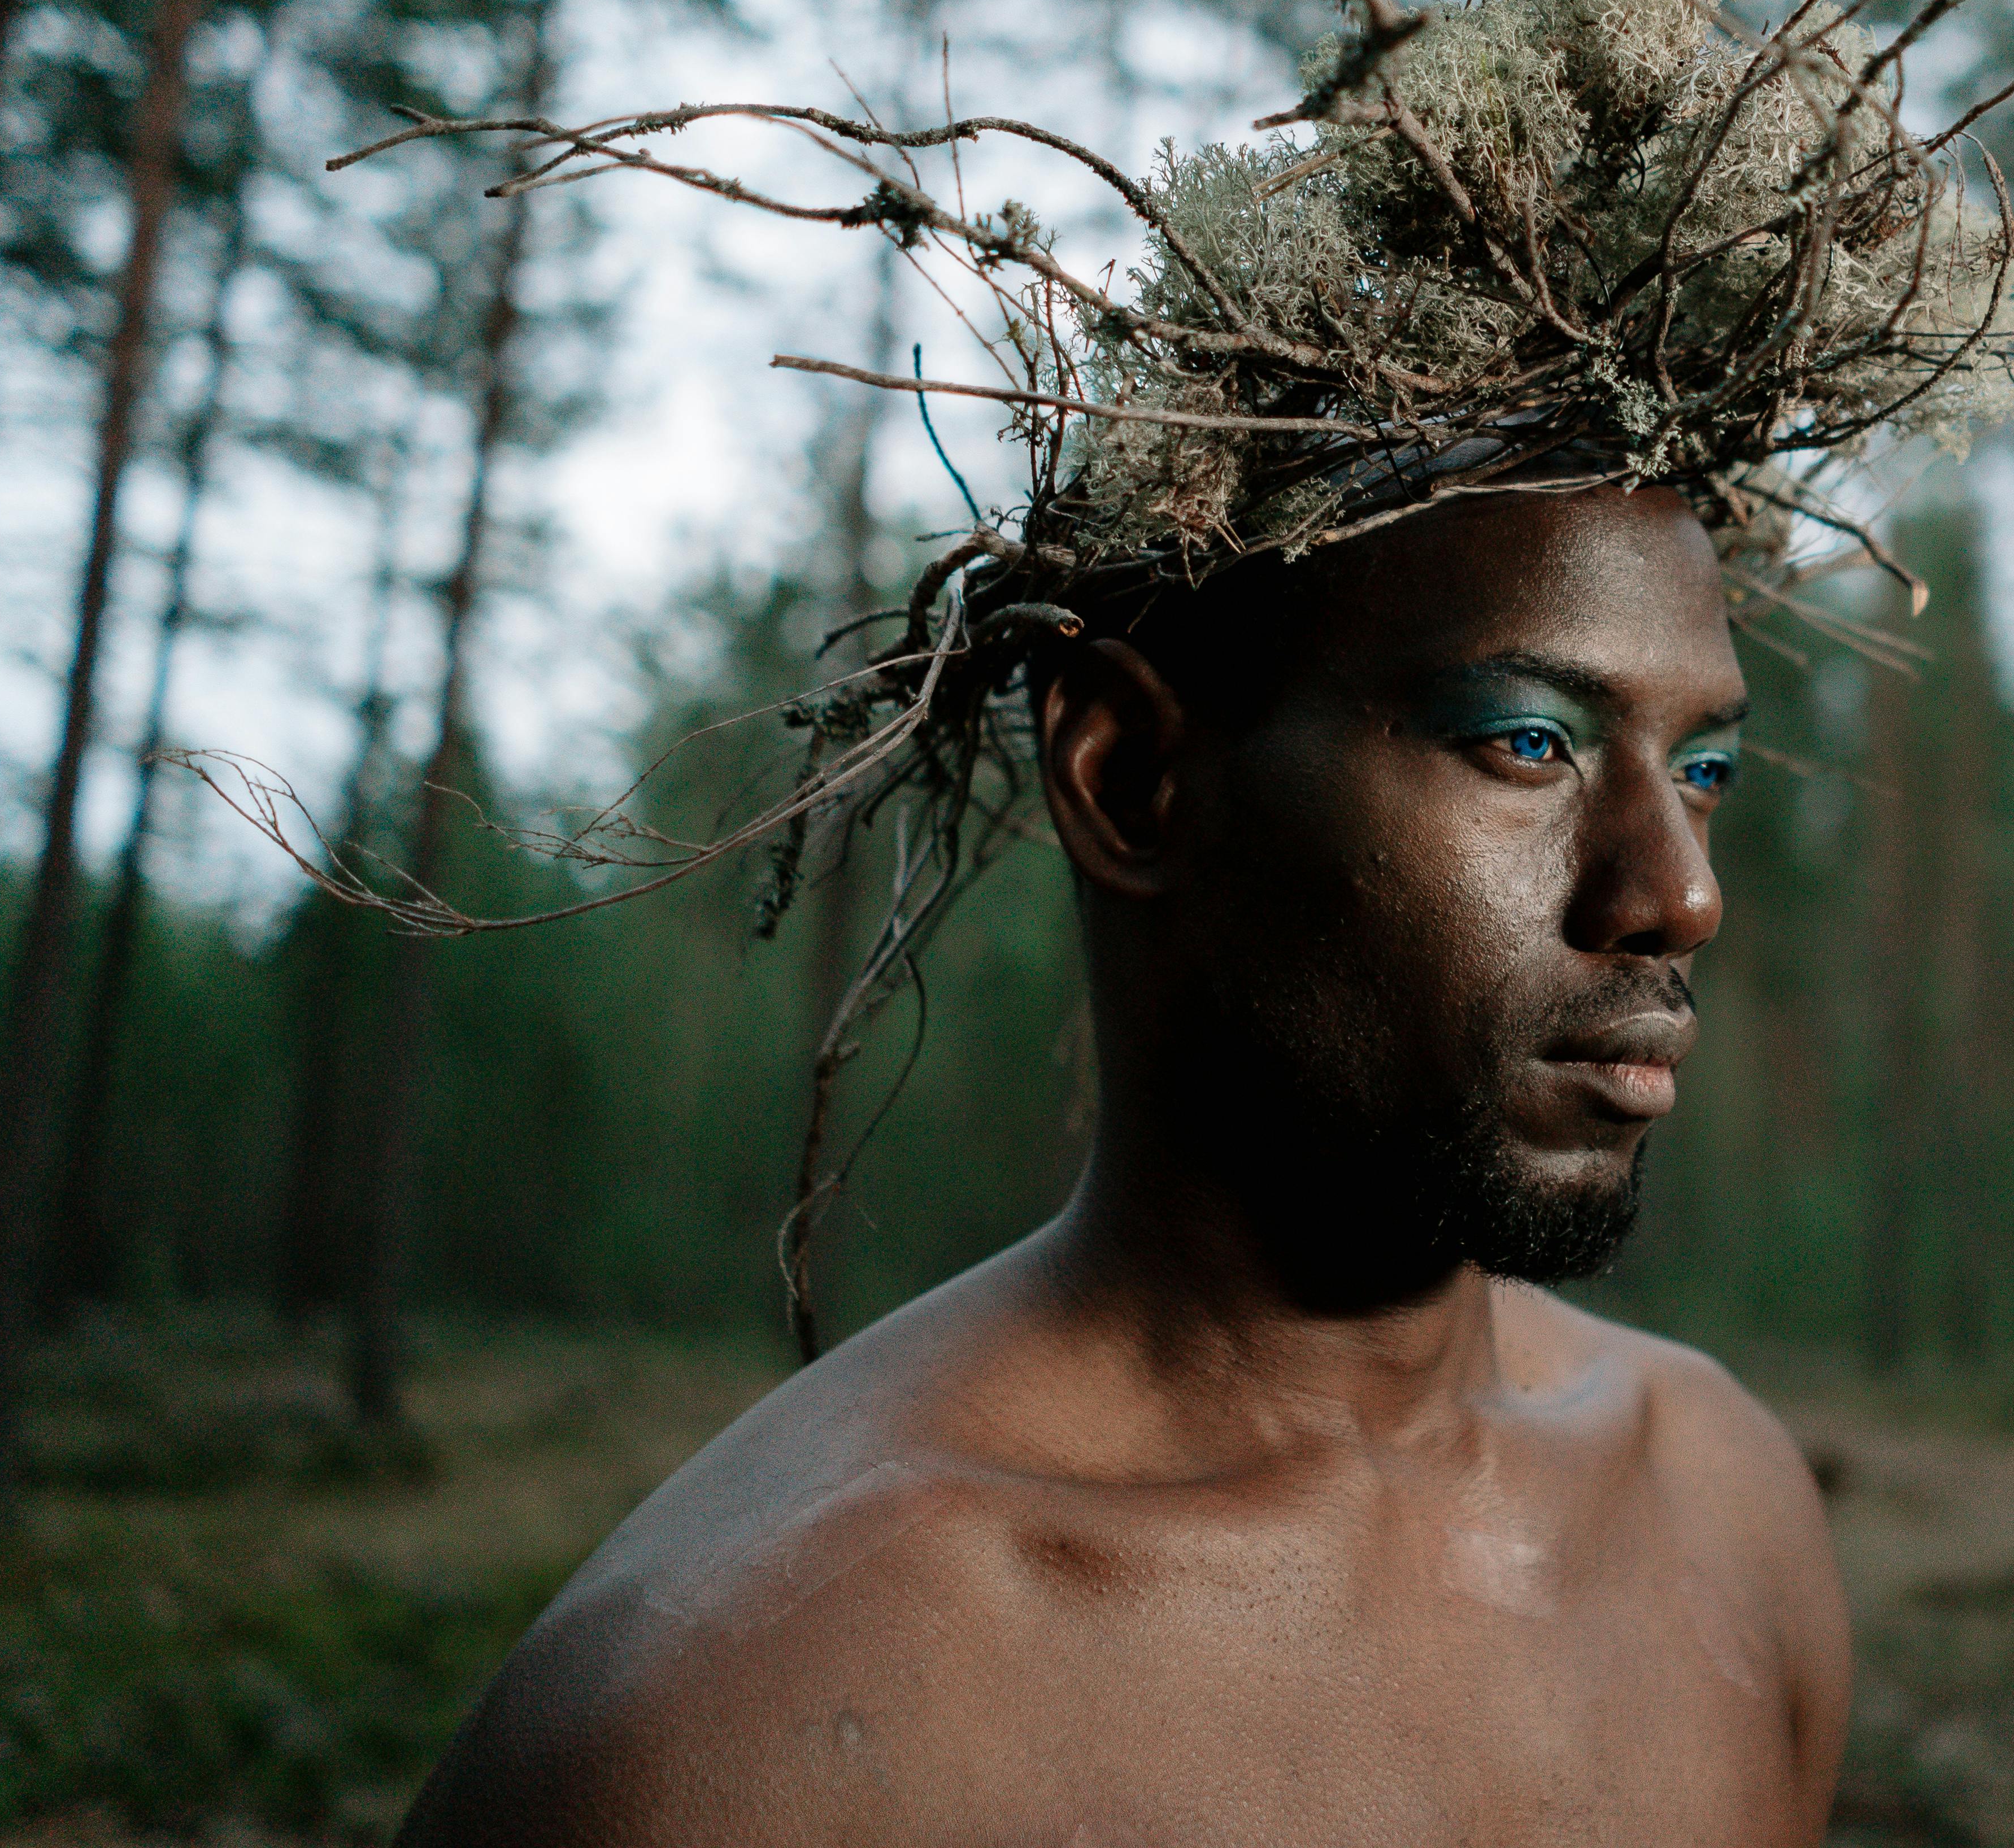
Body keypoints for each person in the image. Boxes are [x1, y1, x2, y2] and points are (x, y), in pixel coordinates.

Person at [393, 478, 1852, 1847]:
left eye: (1705, 767)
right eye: (1527, 743)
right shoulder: (745, 1709)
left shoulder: (1722, 1510)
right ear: (1136, 777)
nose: (1681, 891)